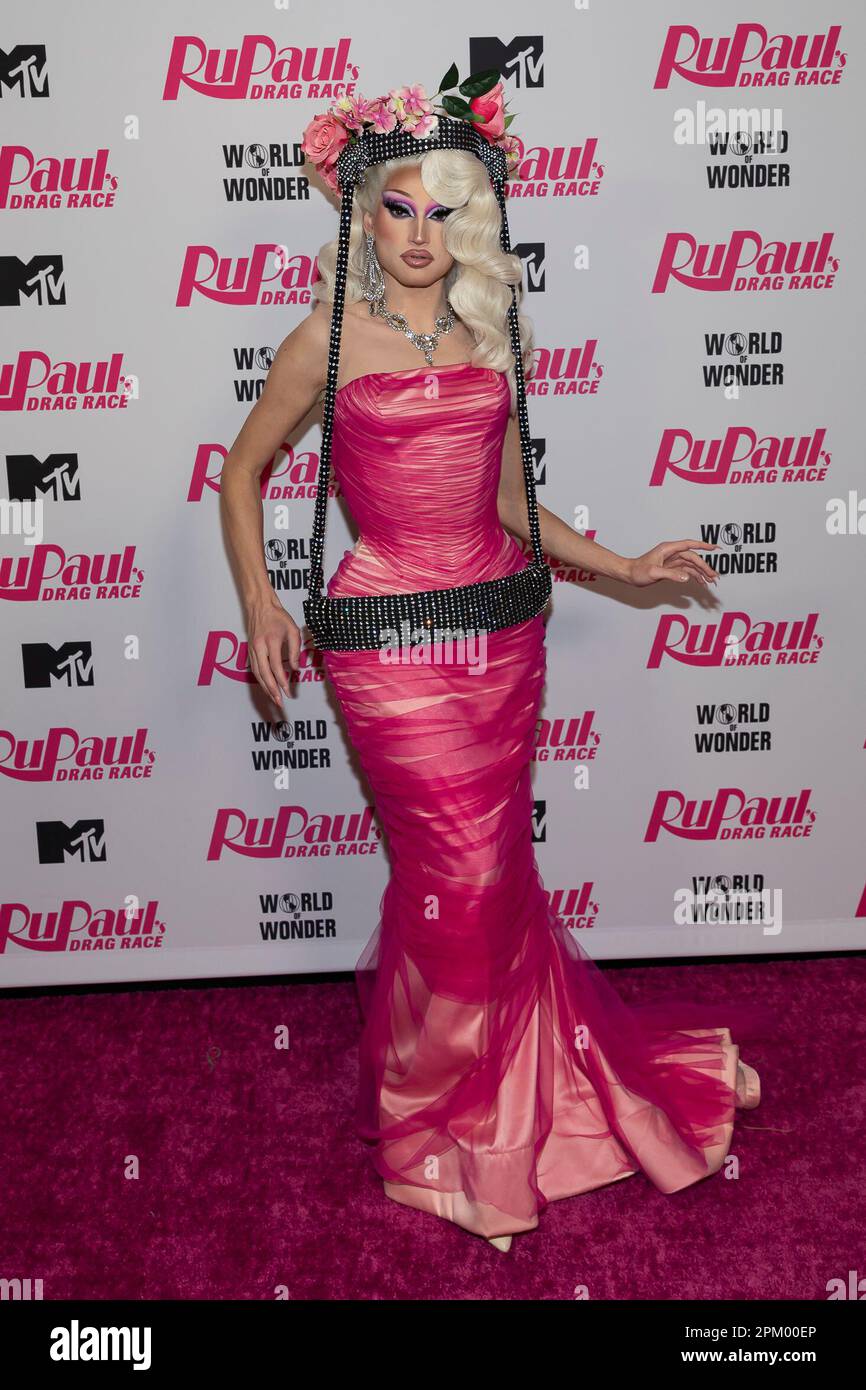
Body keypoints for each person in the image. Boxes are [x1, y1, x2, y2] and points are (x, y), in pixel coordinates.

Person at [219, 78, 762, 1253]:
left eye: (439, 211)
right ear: (358, 214)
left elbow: (513, 504)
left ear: (468, 220)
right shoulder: (323, 337)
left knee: (491, 874)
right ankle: (431, 1121)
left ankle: (504, 1094)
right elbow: (241, 471)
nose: (417, 234)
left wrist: (621, 563)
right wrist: (262, 599)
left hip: (501, 640)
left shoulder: (484, 330)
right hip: (385, 646)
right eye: (396, 208)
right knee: (453, 881)